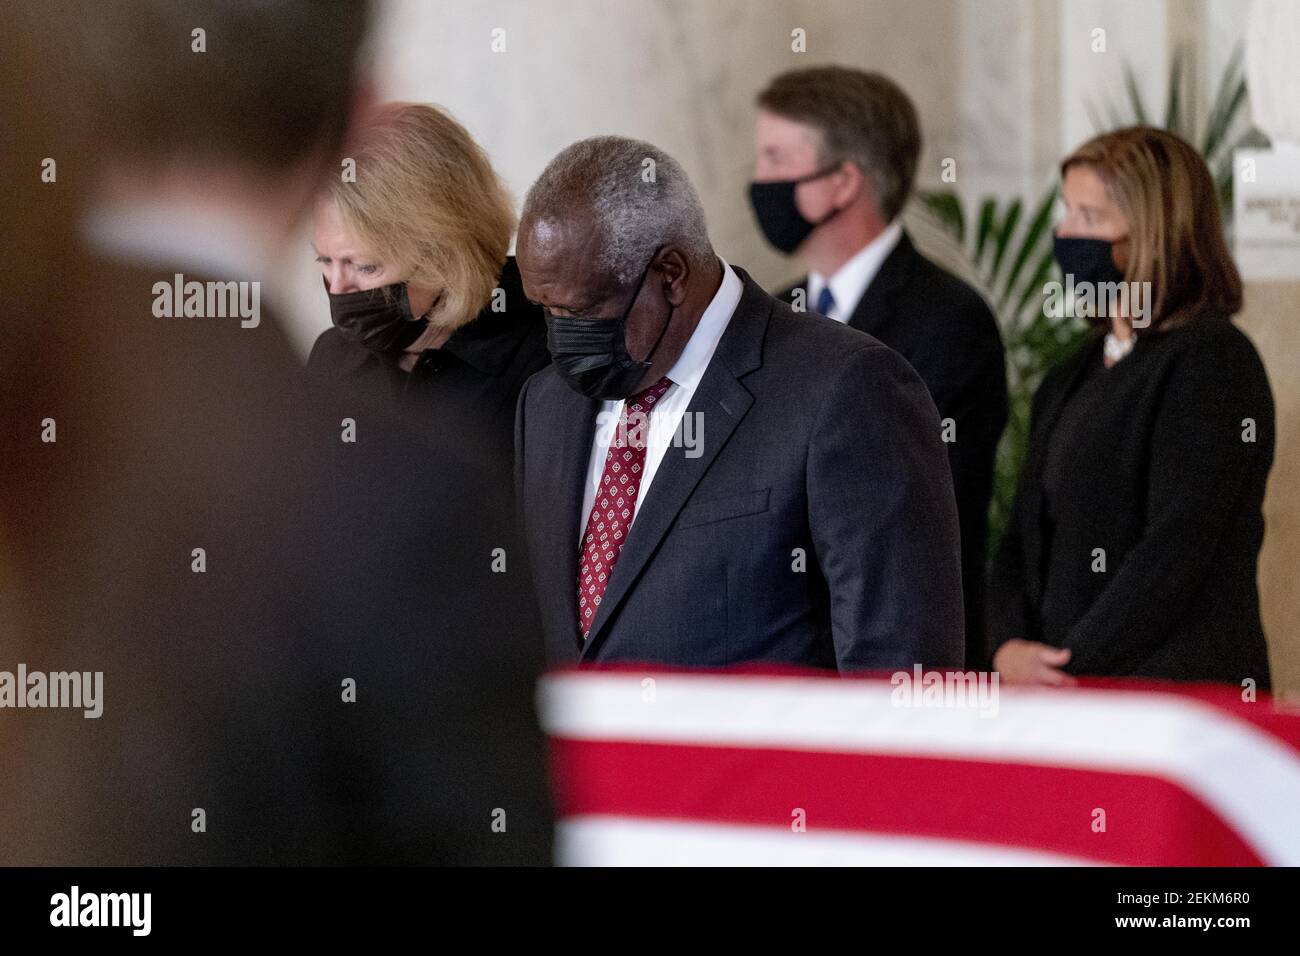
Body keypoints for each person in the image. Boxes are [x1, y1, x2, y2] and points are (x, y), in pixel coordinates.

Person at [0, 0, 551, 864]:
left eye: (361, 267)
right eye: (330, 267)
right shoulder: (409, 495)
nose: (341, 287)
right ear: (355, 116)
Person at [514, 136, 964, 671]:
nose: (562, 337)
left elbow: (899, 665)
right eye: (547, 311)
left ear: (671, 275)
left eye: (583, 312)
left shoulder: (845, 388)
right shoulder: (546, 403)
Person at [987, 126, 1275, 689]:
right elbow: (1020, 539)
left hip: (1174, 695)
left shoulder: (1212, 360)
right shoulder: (1072, 372)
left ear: (1153, 233)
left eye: (1089, 219)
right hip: (1069, 698)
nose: (1065, 234)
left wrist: (1067, 668)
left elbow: (1175, 550)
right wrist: (1006, 648)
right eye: (1066, 213)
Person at [751, 66, 1007, 668]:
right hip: (785, 653)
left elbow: (911, 507)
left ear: (842, 182)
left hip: (894, 659)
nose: (759, 182)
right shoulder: (770, 310)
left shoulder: (949, 318)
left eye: (775, 158)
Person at [309, 102, 548, 480]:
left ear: (442, 254)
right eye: (324, 261)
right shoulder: (332, 359)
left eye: (365, 266)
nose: (337, 288)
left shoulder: (544, 355)